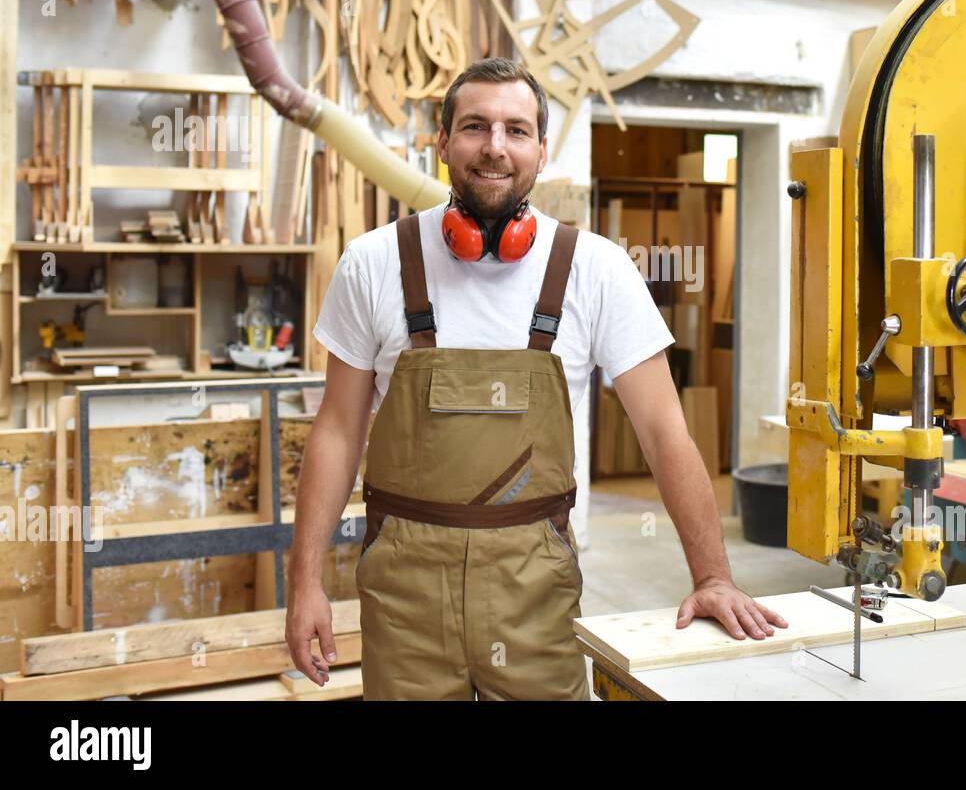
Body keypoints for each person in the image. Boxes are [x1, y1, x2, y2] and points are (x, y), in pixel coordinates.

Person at [286, 57, 786, 700]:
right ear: (441, 143)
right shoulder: (375, 263)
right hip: (403, 595)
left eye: (516, 130)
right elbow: (336, 430)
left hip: (536, 590)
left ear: (541, 151)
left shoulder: (595, 269)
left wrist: (713, 575)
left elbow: (664, 430)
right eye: (474, 126)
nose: (495, 147)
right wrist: (304, 584)